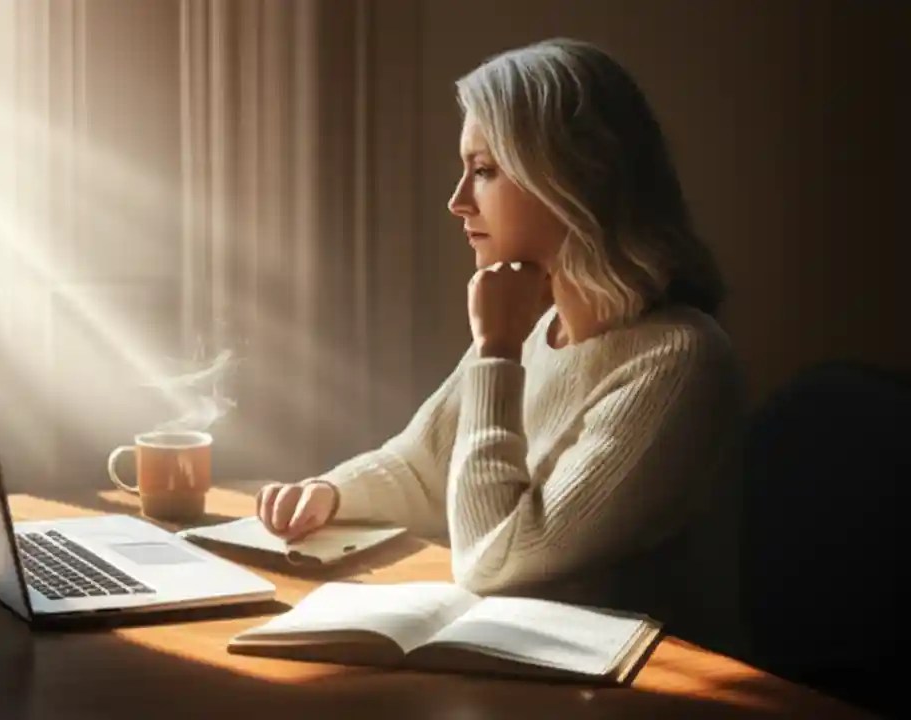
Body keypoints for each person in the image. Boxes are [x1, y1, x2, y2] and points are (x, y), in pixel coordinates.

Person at [255, 38, 744, 644]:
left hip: (636, 687)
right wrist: (331, 494)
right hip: (521, 667)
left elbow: (494, 562)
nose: (458, 201)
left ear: (571, 180)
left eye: (484, 171)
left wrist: (496, 353)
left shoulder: (676, 361)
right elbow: (425, 469)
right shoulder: (539, 329)